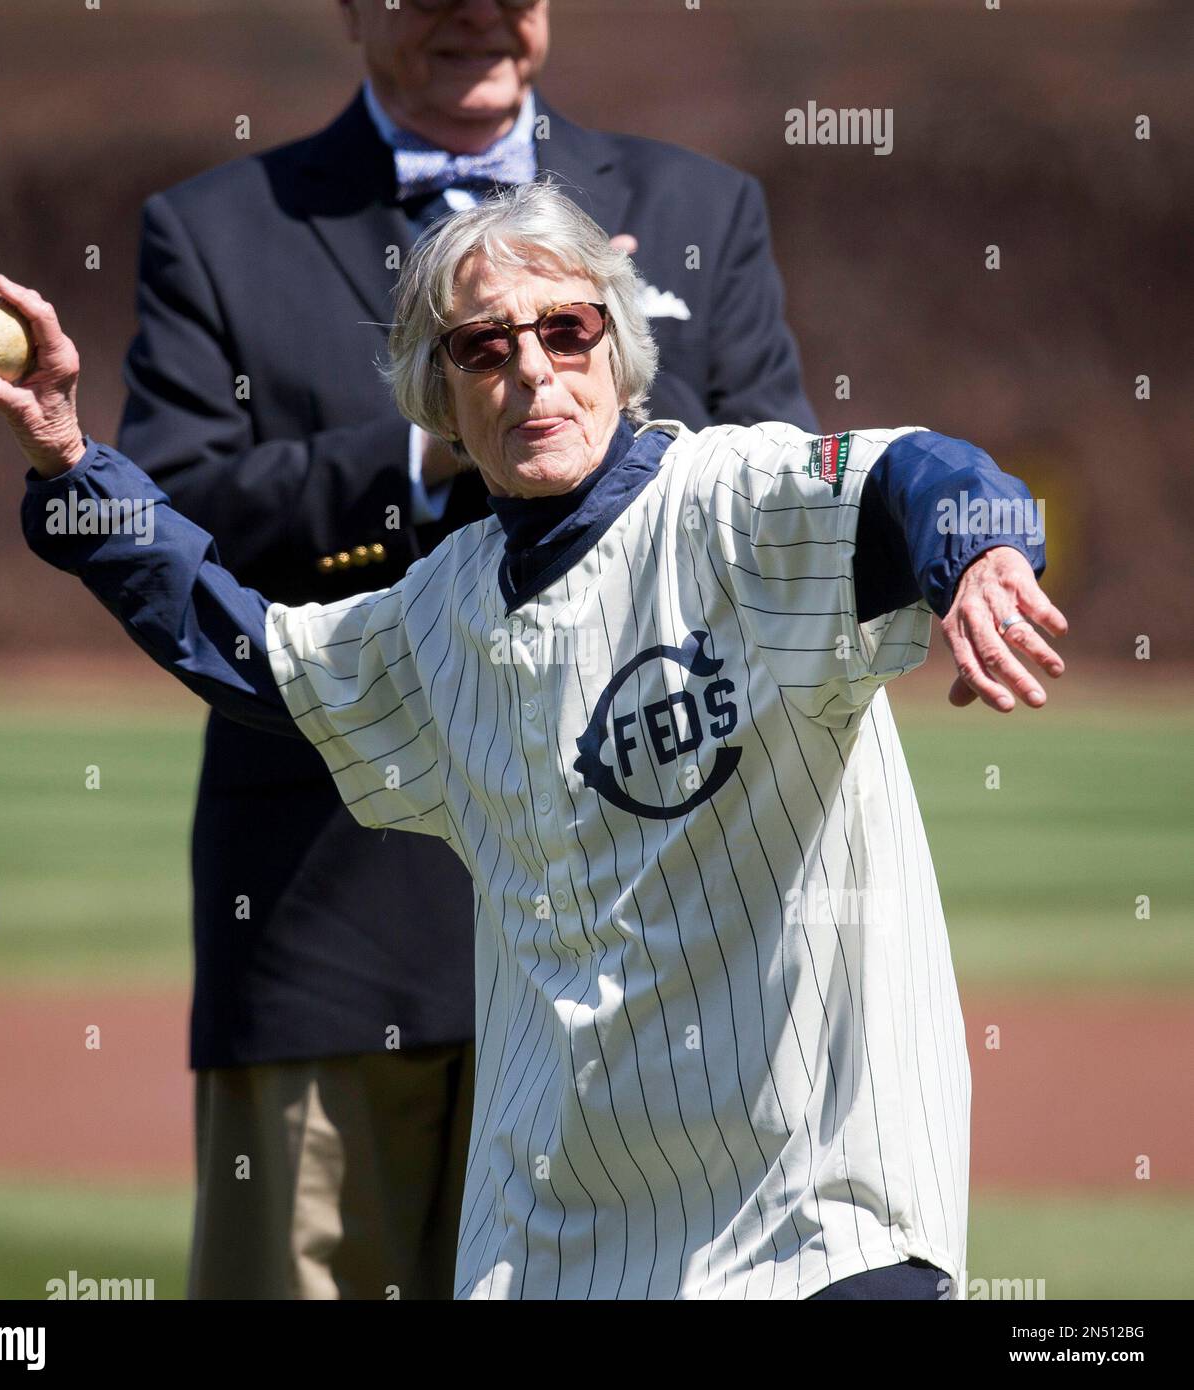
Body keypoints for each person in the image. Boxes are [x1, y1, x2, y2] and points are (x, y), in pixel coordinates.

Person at [0, 182, 1067, 1299]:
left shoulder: (733, 504)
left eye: (566, 329)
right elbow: (248, 653)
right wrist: (72, 467)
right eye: (483, 346)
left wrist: (978, 552)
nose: (532, 369)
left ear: (618, 351)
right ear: (438, 394)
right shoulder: (436, 614)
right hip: (557, 1247)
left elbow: (912, 474)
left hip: (823, 1225)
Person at [117, 0, 814, 1298]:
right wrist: (431, 445)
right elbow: (170, 519)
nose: (476, 13)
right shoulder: (216, 230)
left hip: (641, 955)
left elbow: (776, 501)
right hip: (333, 928)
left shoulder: (702, 204)